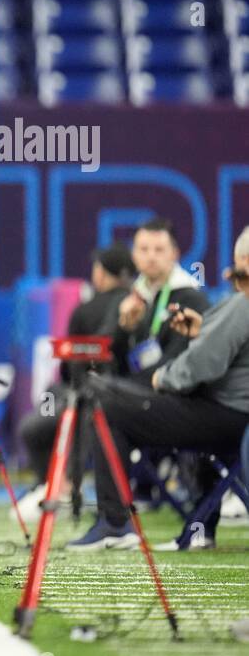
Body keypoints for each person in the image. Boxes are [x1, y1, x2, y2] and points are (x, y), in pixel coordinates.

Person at [68, 227, 249, 550]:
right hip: (229, 412)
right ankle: (196, 527)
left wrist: (161, 379)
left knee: (107, 407)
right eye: (144, 248)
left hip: (224, 414)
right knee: (107, 394)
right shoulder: (135, 297)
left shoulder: (235, 302)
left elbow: (202, 365)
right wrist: (199, 331)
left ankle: (114, 522)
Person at [17, 244, 134, 486]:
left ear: (100, 272)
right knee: (52, 402)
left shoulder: (84, 310)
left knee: (39, 420)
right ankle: (63, 482)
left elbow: (66, 370)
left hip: (88, 399)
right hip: (120, 393)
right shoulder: (138, 305)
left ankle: (52, 485)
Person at [112, 217, 208, 383]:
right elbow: (114, 358)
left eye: (159, 250)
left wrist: (128, 387)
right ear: (133, 254)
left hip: (171, 393)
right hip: (132, 389)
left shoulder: (192, 298)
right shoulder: (128, 297)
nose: (151, 256)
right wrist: (125, 328)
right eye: (144, 249)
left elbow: (177, 360)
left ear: (174, 254)